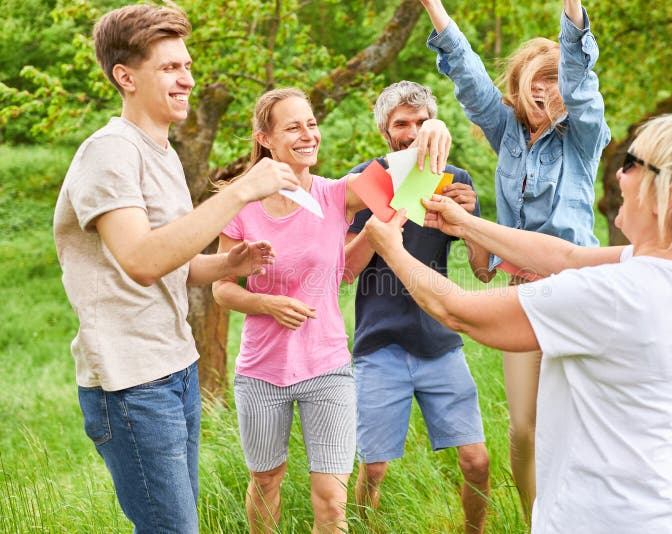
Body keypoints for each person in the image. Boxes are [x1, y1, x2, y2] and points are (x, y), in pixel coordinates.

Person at [363, 112, 672, 533]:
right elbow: (566, 257)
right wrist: (467, 224)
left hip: (602, 517)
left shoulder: (616, 294)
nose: (619, 175)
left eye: (632, 164)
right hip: (670, 506)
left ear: (666, 196)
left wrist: (392, 250)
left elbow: (458, 310)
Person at [52, 5, 300, 533]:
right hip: (129, 383)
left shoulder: (161, 151)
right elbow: (141, 260)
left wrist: (226, 263)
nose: (187, 78)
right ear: (125, 76)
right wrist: (240, 192)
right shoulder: (109, 153)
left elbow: (174, 264)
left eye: (187, 65)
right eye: (169, 68)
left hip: (176, 369)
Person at [211, 87, 451, 533]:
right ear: (266, 138)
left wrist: (433, 130)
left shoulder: (335, 195)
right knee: (266, 481)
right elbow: (222, 290)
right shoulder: (242, 204)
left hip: (328, 367)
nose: (308, 135)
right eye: (293, 127)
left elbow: (411, 175)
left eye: (312, 124)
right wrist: (265, 303)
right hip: (262, 371)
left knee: (332, 503)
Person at [419, 0, 611, 517]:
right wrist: (434, 9)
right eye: (537, 80)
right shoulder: (507, 135)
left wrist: (572, 14)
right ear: (522, 88)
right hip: (519, 292)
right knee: (524, 427)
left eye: (554, 80)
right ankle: (537, 521)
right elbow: (469, 75)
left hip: (572, 286)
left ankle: (584, 516)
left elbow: (581, 80)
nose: (547, 89)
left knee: (573, 420)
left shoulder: (583, 138)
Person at [343, 81, 492, 533]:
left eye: (422, 122)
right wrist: (380, 214)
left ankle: (475, 530)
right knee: (372, 469)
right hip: (378, 344)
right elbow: (345, 271)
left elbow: (483, 270)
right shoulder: (360, 181)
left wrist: (468, 223)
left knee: (476, 460)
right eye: (401, 124)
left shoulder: (456, 180)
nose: (412, 132)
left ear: (435, 126)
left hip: (440, 341)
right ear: (386, 133)